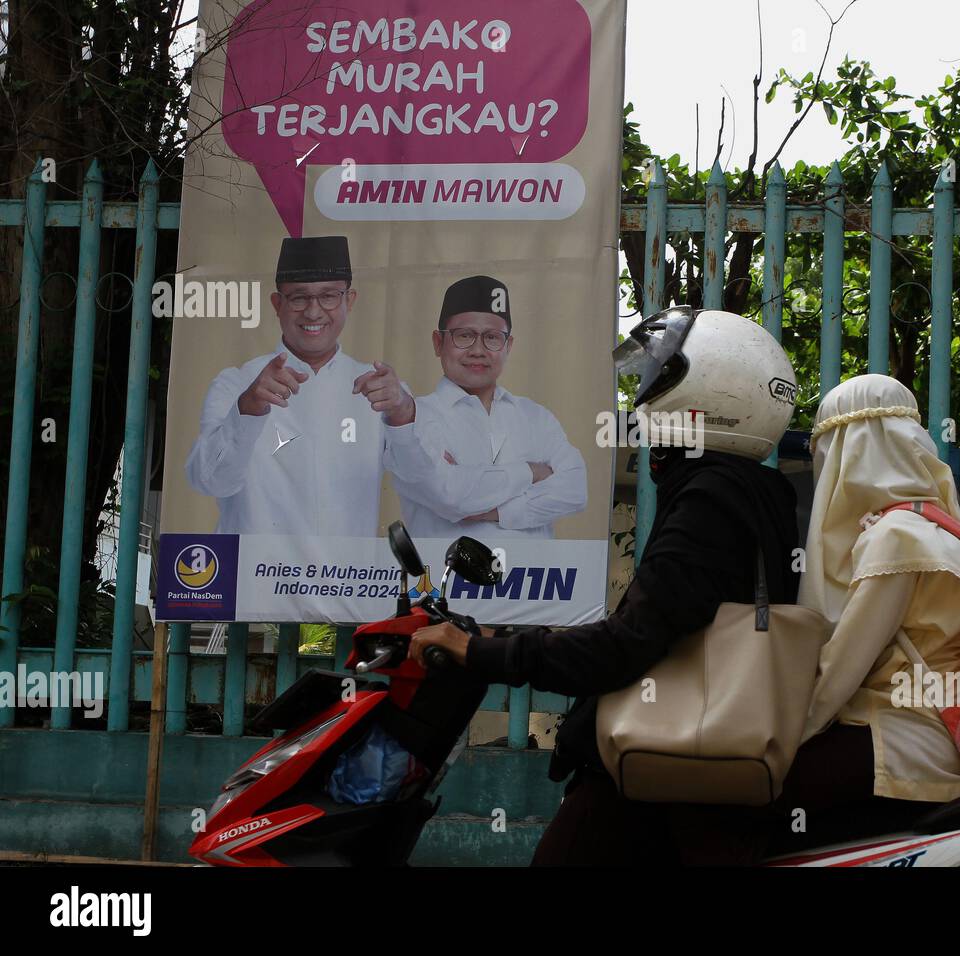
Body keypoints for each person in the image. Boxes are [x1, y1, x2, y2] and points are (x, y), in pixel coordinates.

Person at [407, 307, 804, 864]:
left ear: (706, 389)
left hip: (661, 764)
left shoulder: (711, 500)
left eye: (658, 377)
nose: (642, 393)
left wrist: (475, 650)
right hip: (705, 760)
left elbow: (626, 647)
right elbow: (666, 622)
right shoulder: (761, 494)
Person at [797, 373, 960, 810]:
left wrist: (783, 734)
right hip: (945, 733)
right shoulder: (952, 529)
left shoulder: (895, 537)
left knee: (751, 793)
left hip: (901, 742)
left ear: (852, 450)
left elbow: (840, 671)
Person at [185, 236, 412, 535]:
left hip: (344, 579)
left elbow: (427, 487)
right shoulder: (238, 384)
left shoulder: (383, 391)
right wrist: (248, 409)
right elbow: (209, 480)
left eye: (329, 296)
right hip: (255, 578)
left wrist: (405, 414)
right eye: (299, 298)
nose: (314, 312)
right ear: (277, 304)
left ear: (350, 300)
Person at [382, 275, 587, 540]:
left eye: (492, 337)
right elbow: (450, 496)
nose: (478, 350)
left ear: (508, 346)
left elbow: (575, 490)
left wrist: (492, 509)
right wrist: (531, 472)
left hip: (531, 580)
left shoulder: (536, 417)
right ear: (438, 342)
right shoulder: (412, 419)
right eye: (464, 335)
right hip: (446, 580)